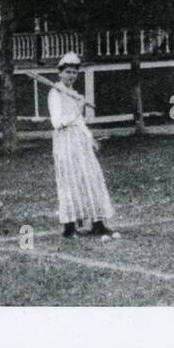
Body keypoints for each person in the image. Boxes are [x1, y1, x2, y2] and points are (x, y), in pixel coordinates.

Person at [49, 52, 118, 239]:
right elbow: (57, 123)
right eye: (68, 72)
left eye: (74, 73)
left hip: (79, 141)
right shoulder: (55, 93)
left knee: (91, 177)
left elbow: (79, 122)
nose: (71, 76)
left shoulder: (74, 94)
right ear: (60, 73)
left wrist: (90, 138)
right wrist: (77, 110)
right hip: (64, 142)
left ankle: (98, 223)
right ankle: (69, 227)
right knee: (70, 181)